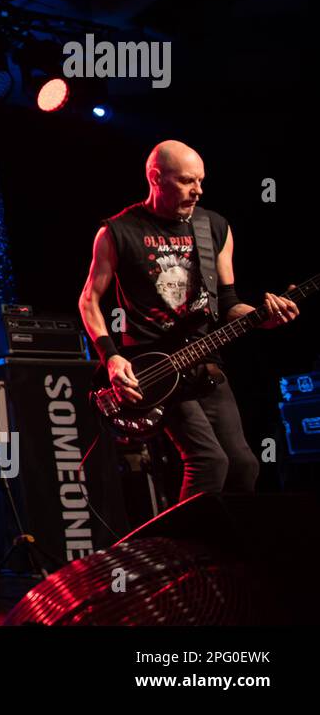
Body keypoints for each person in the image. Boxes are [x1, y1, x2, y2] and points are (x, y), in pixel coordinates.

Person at [79, 140, 298, 500]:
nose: (197, 191)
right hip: (154, 368)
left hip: (204, 361)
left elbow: (228, 303)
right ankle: (179, 549)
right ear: (156, 178)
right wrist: (112, 356)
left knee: (244, 465)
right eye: (186, 181)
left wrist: (263, 319)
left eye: (200, 181)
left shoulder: (215, 227)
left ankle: (227, 552)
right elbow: (89, 299)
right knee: (209, 461)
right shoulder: (117, 231)